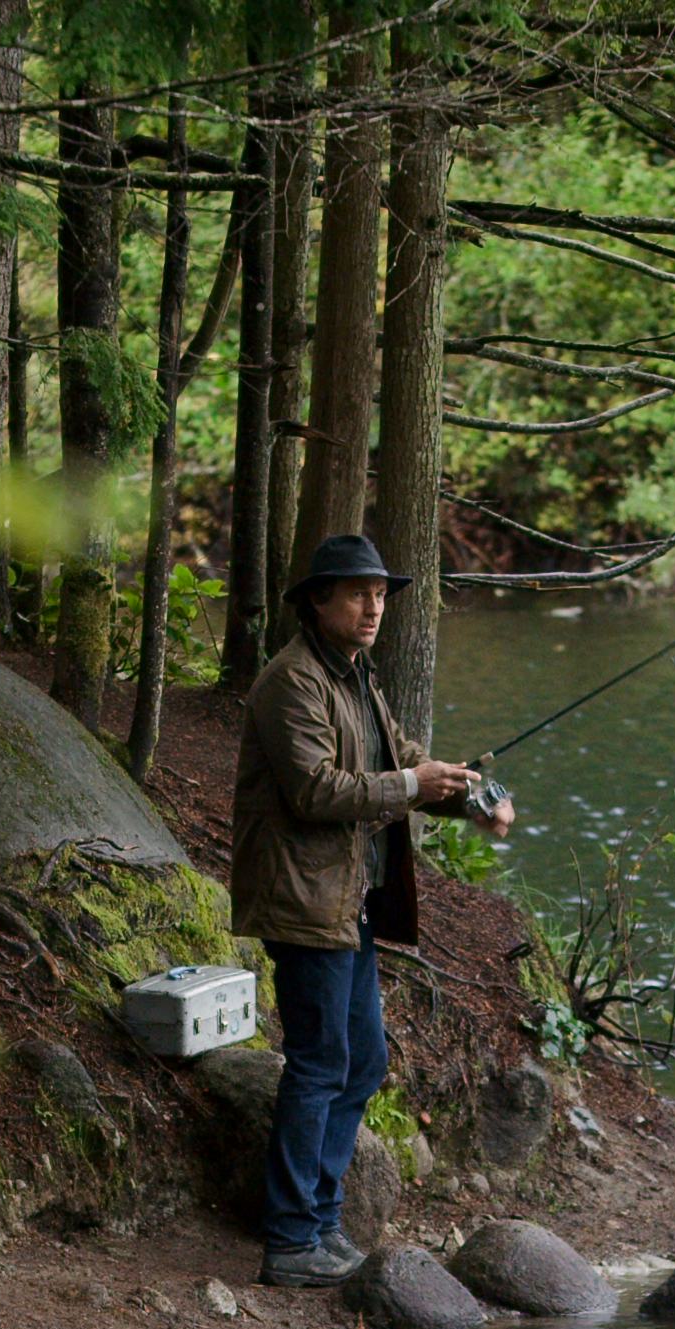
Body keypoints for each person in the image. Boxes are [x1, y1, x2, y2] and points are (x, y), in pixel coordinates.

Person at [228, 533, 514, 1285]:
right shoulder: (291, 681)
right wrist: (416, 785)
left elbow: (403, 764)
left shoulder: (355, 676)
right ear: (317, 601)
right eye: (358, 593)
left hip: (347, 901)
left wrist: (472, 797)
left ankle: (320, 1225)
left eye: (381, 594)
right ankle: (291, 1241)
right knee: (321, 1064)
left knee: (362, 1063)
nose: (373, 607)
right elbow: (317, 791)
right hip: (305, 900)